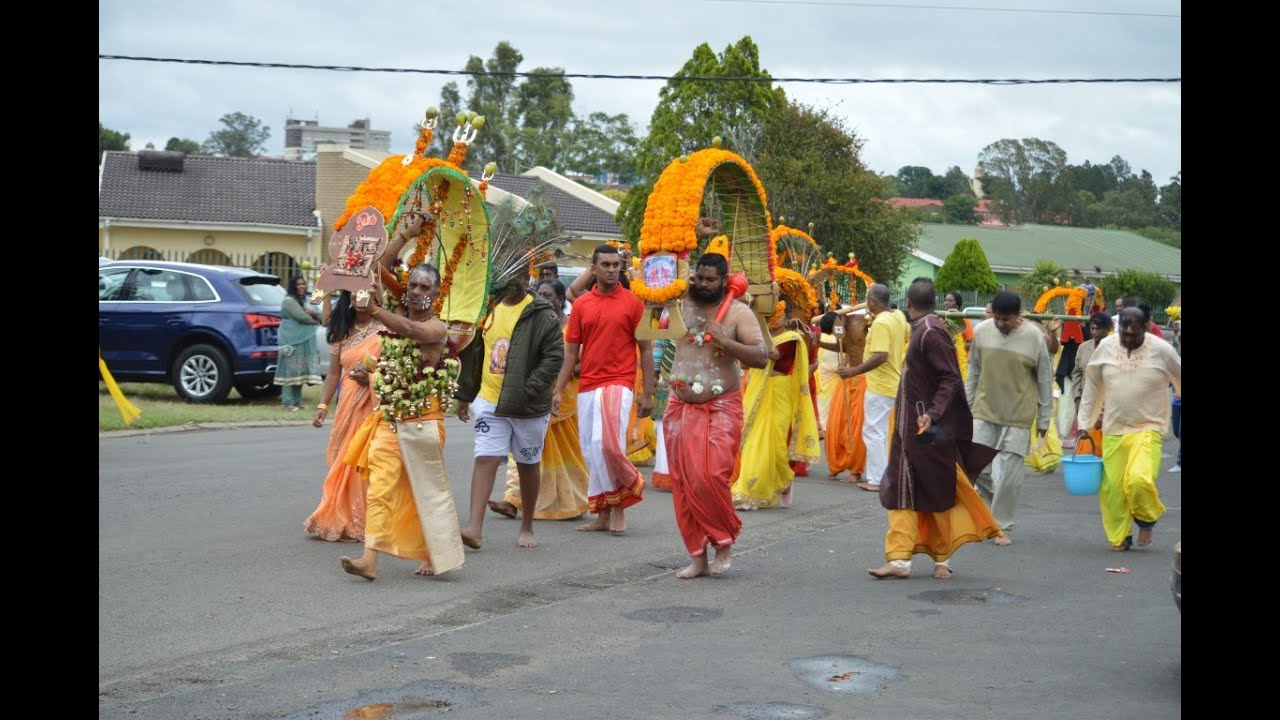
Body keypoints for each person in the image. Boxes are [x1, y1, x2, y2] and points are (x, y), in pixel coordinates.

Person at [339, 212, 465, 580]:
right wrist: (405, 236)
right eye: (413, 286)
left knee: (425, 492)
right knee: (380, 485)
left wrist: (376, 309)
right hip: (390, 418)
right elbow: (374, 271)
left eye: (427, 289)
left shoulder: (437, 328)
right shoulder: (395, 308)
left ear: (436, 294)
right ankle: (370, 560)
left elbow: (411, 330)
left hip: (424, 421)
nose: (418, 292)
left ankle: (432, 552)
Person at [868, 278, 1001, 579]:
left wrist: (931, 413)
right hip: (915, 425)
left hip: (922, 428)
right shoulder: (928, 328)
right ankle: (907, 558)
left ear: (909, 305)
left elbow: (950, 378)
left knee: (931, 488)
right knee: (912, 487)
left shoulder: (929, 331)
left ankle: (932, 556)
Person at [662, 252, 768, 577]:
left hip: (721, 404)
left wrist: (725, 340)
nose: (702, 284)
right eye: (699, 278)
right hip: (679, 404)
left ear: (724, 281)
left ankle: (724, 539)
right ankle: (698, 558)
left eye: (710, 280)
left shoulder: (738, 312)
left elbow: (761, 357)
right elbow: (666, 259)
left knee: (708, 477)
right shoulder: (680, 302)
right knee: (682, 483)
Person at [454, 272, 564, 550]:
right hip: (490, 401)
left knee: (528, 464)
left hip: (528, 406)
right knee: (486, 458)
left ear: (527, 281)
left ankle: (527, 525)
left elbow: (554, 357)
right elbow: (474, 353)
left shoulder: (541, 314)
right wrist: (465, 395)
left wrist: (531, 388)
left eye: (517, 279)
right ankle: (475, 529)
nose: (510, 284)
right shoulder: (488, 308)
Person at [552, 244, 654, 535]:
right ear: (593, 269)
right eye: (605, 265)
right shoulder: (582, 305)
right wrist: (558, 390)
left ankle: (621, 502)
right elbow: (571, 354)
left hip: (619, 382)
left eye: (615, 265)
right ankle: (602, 513)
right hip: (588, 386)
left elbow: (646, 350)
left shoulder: (634, 303)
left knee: (608, 445)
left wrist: (647, 392)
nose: (611, 270)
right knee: (591, 450)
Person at [1078, 308, 1182, 551]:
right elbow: (1092, 384)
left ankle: (1146, 518)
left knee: (1138, 479)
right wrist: (1085, 422)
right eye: (1123, 335)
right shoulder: (1106, 346)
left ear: (1146, 327)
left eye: (1134, 335)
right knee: (1112, 489)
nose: (1128, 340)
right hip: (1114, 428)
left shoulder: (1162, 350)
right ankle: (1120, 537)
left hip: (1149, 427)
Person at [487, 280, 592, 521]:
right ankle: (513, 500)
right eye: (539, 294)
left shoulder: (571, 326)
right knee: (524, 448)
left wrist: (556, 370)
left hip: (563, 399)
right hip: (534, 395)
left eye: (547, 295)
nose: (542, 298)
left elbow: (579, 361)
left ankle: (571, 501)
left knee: (564, 453)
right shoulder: (533, 322)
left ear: (559, 299)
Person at [966, 290, 1053, 547]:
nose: (1001, 324)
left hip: (1018, 415)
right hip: (984, 411)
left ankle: (1000, 526)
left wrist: (1045, 419)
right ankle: (995, 506)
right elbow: (973, 371)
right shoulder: (982, 331)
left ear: (1019, 316)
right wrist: (964, 406)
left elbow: (1044, 379)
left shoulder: (1035, 337)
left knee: (1009, 476)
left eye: (1006, 319)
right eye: (998, 319)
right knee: (976, 467)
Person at [303, 290, 384, 542]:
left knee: (368, 459)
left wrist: (370, 378)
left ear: (376, 298)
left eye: (366, 295)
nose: (361, 301)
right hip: (347, 403)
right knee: (345, 460)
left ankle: (371, 518)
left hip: (373, 403)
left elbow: (393, 368)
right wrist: (322, 406)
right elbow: (335, 375)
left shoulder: (386, 330)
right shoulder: (342, 331)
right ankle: (342, 514)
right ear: (349, 299)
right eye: (356, 296)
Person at [731, 296, 821, 510]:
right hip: (756, 391)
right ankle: (757, 490)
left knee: (776, 444)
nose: (774, 319)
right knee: (754, 440)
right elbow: (746, 363)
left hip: (779, 393)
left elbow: (771, 355)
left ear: (787, 315)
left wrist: (754, 337)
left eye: (778, 315)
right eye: (771, 315)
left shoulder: (792, 338)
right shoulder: (760, 337)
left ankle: (769, 486)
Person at [850, 284, 910, 493]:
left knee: (873, 431)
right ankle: (884, 476)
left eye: (867, 300)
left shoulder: (881, 323)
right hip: (891, 383)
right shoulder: (898, 316)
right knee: (882, 431)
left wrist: (854, 371)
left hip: (880, 385)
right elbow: (907, 333)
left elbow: (881, 355)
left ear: (873, 302)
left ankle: (876, 480)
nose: (866, 304)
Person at [820, 307, 870, 482]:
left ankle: (856, 472)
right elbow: (844, 347)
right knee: (836, 424)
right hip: (846, 378)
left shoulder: (862, 320)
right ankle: (836, 465)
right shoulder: (838, 330)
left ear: (840, 322)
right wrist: (818, 343)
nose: (835, 335)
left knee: (856, 427)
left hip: (863, 377)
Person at [274, 274, 323, 410]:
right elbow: (301, 316)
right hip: (291, 340)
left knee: (299, 371)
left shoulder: (306, 300)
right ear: (293, 287)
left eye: (303, 284)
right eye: (298, 284)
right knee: (290, 371)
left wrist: (313, 314)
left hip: (305, 340)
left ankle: (297, 402)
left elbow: (322, 315)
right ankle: (288, 403)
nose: (301, 286)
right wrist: (314, 318)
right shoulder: (288, 301)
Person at [1069, 312, 1113, 458]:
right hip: (1085, 400)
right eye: (1092, 328)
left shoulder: (1114, 349)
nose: (1094, 332)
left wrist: (1102, 411)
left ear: (1107, 329)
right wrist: (1076, 398)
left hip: (1107, 403)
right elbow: (1076, 374)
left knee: (1106, 446)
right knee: (1086, 442)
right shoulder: (1083, 347)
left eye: (1098, 329)